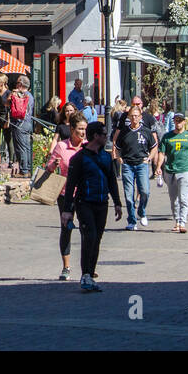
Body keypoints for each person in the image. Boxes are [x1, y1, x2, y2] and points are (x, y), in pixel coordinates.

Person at [61, 119, 123, 292]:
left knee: (97, 239)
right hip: (84, 203)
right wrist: (67, 211)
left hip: (102, 203)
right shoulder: (79, 158)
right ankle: (86, 275)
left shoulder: (105, 156)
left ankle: (90, 271)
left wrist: (117, 203)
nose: (106, 137)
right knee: (89, 236)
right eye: (104, 134)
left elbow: (112, 180)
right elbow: (71, 184)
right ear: (96, 136)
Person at [42, 110, 87, 279]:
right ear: (72, 130)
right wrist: (54, 163)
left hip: (84, 193)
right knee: (66, 229)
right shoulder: (62, 146)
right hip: (65, 194)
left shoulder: (88, 146)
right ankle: (66, 267)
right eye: (79, 130)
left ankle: (86, 267)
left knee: (86, 230)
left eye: (84, 129)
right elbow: (49, 168)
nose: (82, 133)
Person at [111, 102, 158, 229]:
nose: (134, 118)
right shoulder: (124, 132)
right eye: (132, 116)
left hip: (142, 164)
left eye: (136, 116)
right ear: (128, 117)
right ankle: (131, 220)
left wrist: (149, 158)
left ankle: (142, 211)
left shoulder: (146, 131)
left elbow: (154, 147)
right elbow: (117, 146)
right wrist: (120, 159)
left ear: (141, 117)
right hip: (128, 165)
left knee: (145, 191)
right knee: (129, 195)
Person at [160, 114, 188, 232]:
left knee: (183, 198)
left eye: (180, 121)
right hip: (170, 170)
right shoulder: (167, 137)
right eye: (176, 121)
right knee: (173, 200)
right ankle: (177, 221)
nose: (178, 123)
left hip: (185, 170)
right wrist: (158, 167)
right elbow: (162, 153)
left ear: (184, 122)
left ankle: (183, 222)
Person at [8, 75, 36, 175]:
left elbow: (7, 103)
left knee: (21, 147)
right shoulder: (30, 96)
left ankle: (24, 170)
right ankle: (28, 168)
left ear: (20, 84)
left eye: (17, 83)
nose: (16, 85)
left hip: (19, 123)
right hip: (28, 123)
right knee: (27, 147)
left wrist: (12, 94)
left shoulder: (20, 94)